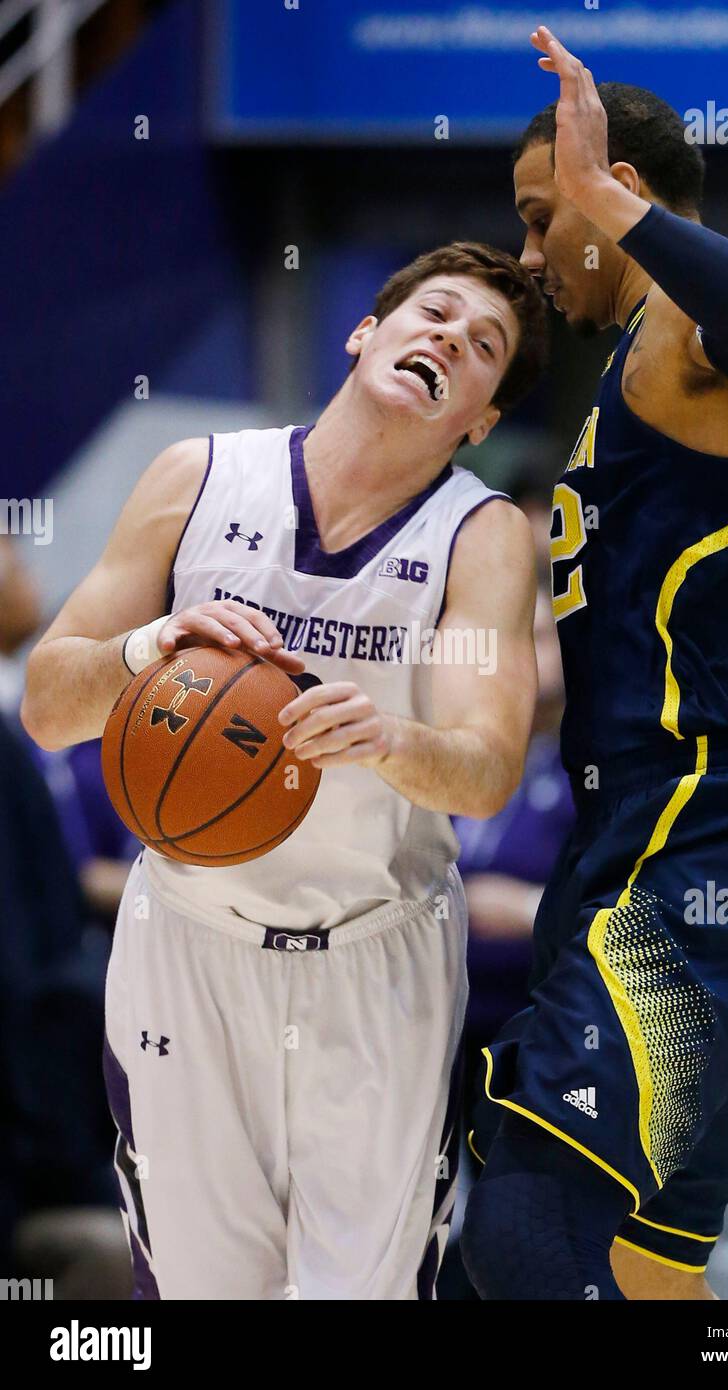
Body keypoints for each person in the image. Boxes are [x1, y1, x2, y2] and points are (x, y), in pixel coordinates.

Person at [22, 241, 547, 1301]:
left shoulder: (479, 535)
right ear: (366, 331)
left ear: (481, 419)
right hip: (189, 944)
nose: (450, 336)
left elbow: (487, 768)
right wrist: (148, 649)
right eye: (434, 312)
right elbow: (47, 704)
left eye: (484, 344)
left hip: (374, 956)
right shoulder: (198, 476)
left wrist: (390, 739)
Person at [460, 28, 728, 1302]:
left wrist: (601, 201)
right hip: (642, 844)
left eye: (544, 218)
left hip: (713, 847)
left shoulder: (699, 343)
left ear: (624, 192)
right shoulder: (678, 386)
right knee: (640, 1270)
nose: (529, 254)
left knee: (528, 1228)